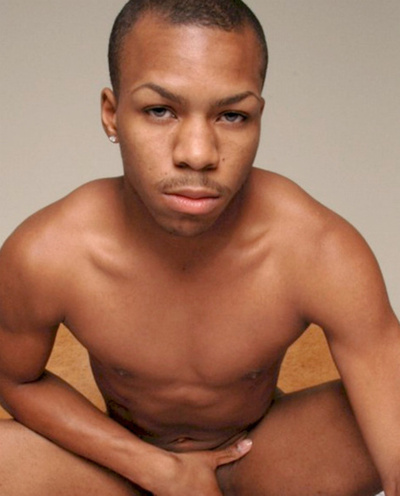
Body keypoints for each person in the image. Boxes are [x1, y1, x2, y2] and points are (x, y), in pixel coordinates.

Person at [0, 0, 399, 494]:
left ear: (258, 118)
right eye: (160, 110)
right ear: (112, 114)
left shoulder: (317, 248)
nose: (197, 154)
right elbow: (14, 379)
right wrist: (159, 470)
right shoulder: (48, 252)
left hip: (261, 460)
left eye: (231, 115)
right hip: (117, 471)